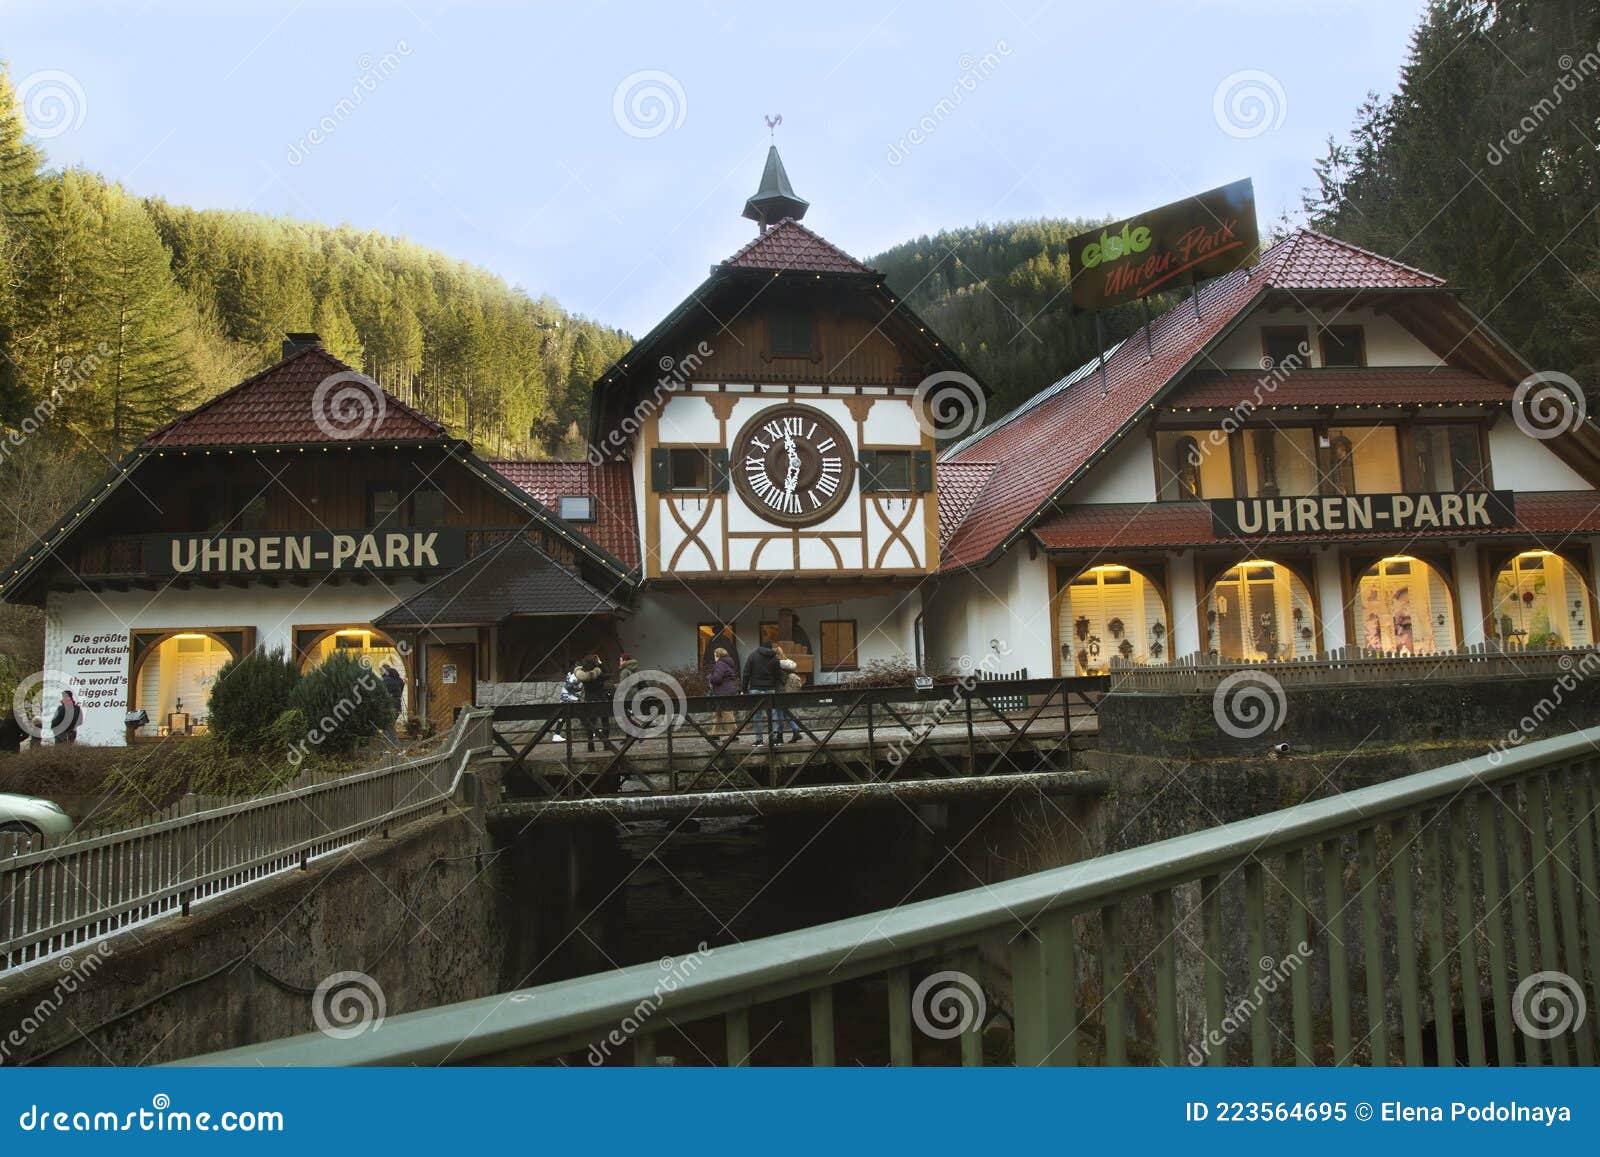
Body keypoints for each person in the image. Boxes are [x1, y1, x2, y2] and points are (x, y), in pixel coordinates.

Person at [741, 641, 783, 747]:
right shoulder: (775, 658)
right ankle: (773, 739)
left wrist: (743, 689)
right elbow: (779, 675)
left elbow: (746, 673)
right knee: (772, 714)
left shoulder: (753, 655)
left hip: (755, 688)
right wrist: (778, 687)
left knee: (757, 715)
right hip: (770, 689)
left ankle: (759, 740)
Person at [573, 654, 609, 751]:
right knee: (605, 722)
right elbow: (608, 674)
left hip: (589, 700)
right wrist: (601, 664)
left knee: (591, 723)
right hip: (601, 699)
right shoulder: (599, 674)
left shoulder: (584, 675)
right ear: (595, 663)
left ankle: (590, 745)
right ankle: (606, 745)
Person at [707, 646, 739, 737]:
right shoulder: (727, 663)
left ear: (718, 655)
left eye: (714, 655)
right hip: (727, 690)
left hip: (723, 692)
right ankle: (714, 734)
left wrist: (709, 677)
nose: (714, 657)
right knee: (717, 713)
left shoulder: (720, 664)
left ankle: (733, 734)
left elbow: (717, 679)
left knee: (726, 712)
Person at [772, 646, 803, 744]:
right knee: (786, 713)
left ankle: (780, 736)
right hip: (787, 691)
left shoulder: (777, 664)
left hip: (780, 691)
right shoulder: (787, 663)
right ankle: (796, 731)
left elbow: (780, 679)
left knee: (780, 715)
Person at [552, 667, 584, 743]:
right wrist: (578, 691)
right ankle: (556, 735)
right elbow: (569, 687)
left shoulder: (576, 676)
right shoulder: (573, 677)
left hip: (571, 699)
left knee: (565, 717)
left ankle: (556, 734)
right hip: (568, 699)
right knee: (564, 717)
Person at [378, 664, 405, 744]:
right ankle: (390, 744)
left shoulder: (383, 680)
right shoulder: (400, 680)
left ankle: (395, 744)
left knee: (388, 726)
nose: (380, 673)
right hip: (397, 706)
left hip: (388, 706)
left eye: (381, 671)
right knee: (390, 725)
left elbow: (380, 694)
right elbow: (400, 693)